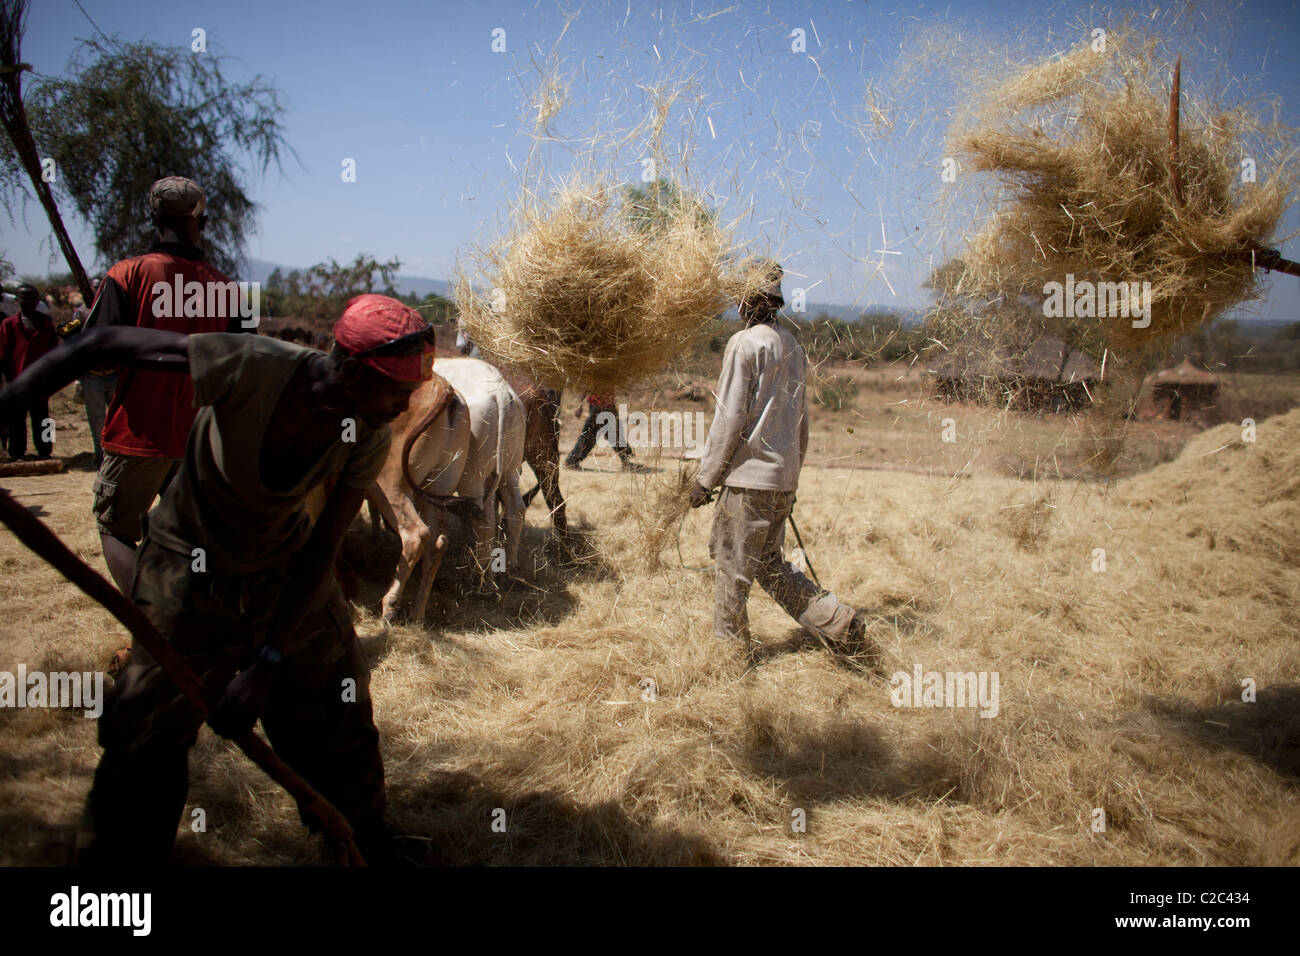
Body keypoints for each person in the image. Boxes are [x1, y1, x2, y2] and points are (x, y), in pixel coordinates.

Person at [0, 293, 434, 865]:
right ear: (351, 369)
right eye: (396, 390)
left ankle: (363, 840)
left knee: (337, 712)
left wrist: (267, 661)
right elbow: (100, 342)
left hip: (285, 569)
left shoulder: (367, 434)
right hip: (186, 570)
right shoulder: (255, 365)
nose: (402, 406)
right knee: (145, 739)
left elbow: (322, 548)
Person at [688, 260, 871, 667]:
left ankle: (728, 655)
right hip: (781, 479)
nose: (737, 306)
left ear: (752, 300)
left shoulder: (745, 344)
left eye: (741, 297)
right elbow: (800, 421)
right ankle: (837, 622)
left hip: (749, 481)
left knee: (733, 569)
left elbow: (730, 418)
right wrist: (792, 477)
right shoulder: (793, 346)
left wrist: (705, 478)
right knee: (769, 566)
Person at [83, 177, 251, 593]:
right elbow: (243, 365)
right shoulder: (230, 291)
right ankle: (191, 621)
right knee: (193, 540)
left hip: (134, 435)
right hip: (198, 443)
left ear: (153, 217)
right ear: (205, 222)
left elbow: (98, 355)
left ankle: (149, 625)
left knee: (118, 530)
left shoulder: (126, 275)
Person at [0, 284, 60, 459]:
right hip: (18, 380)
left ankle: (46, 451)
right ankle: (17, 452)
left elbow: (54, 353)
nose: (28, 302)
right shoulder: (9, 324)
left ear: (37, 300)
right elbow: (3, 354)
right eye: (24, 298)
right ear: (18, 300)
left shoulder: (46, 324)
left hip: (41, 381)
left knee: (44, 418)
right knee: (17, 419)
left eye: (32, 298)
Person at [71, 277, 117, 467]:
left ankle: (119, 456)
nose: (98, 291)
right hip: (92, 376)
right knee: (97, 419)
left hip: (115, 373)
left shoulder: (116, 311)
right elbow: (72, 343)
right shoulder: (80, 315)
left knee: (119, 417)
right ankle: (102, 458)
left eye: (101, 288)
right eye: (95, 287)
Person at [565, 393, 635, 469]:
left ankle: (626, 461)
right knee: (589, 435)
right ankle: (571, 461)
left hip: (607, 405)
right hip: (598, 405)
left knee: (614, 435)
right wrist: (579, 406)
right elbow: (585, 387)